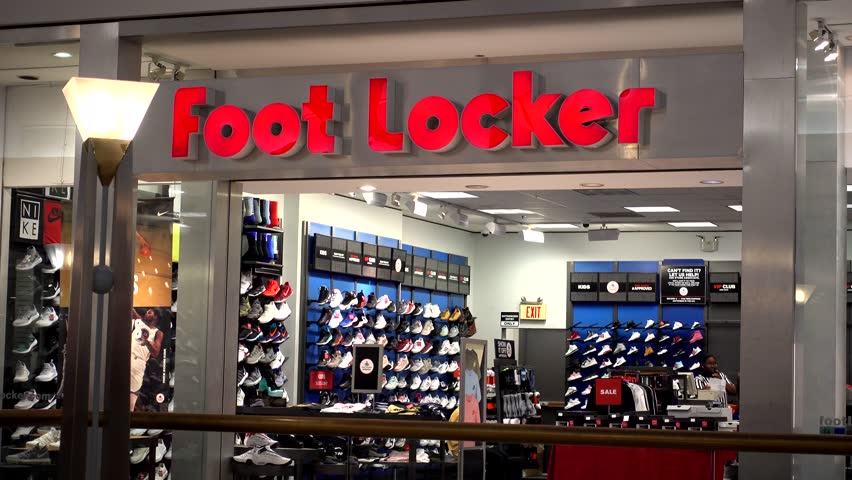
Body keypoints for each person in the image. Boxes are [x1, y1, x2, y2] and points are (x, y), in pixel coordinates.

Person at [130, 309, 164, 411]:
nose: (146, 313)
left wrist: (146, 342)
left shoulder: (157, 333)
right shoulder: (139, 321)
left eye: (149, 312)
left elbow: (155, 353)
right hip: (127, 357)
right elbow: (130, 307)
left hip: (139, 363)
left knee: (132, 397)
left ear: (155, 317)